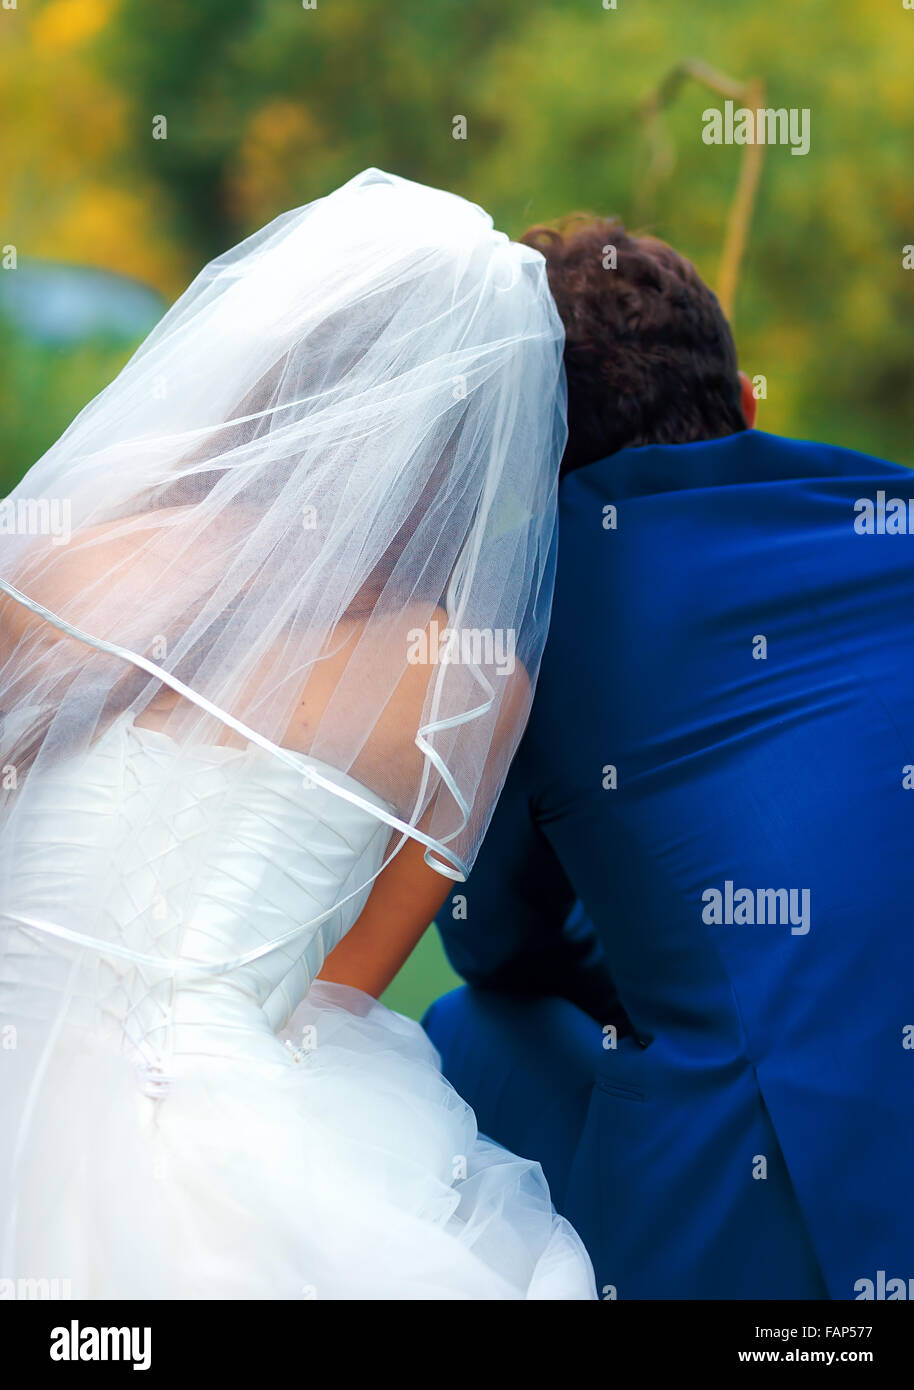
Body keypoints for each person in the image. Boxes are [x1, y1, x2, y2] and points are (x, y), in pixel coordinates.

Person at [0, 171, 596, 1300]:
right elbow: (340, 989)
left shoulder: (68, 555)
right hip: (233, 1144)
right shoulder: (468, 682)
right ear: (480, 448)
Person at [426, 215, 914, 1300]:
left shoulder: (542, 624)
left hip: (792, 1230)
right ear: (746, 401)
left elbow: (489, 939)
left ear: (522, 462)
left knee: (457, 1033)